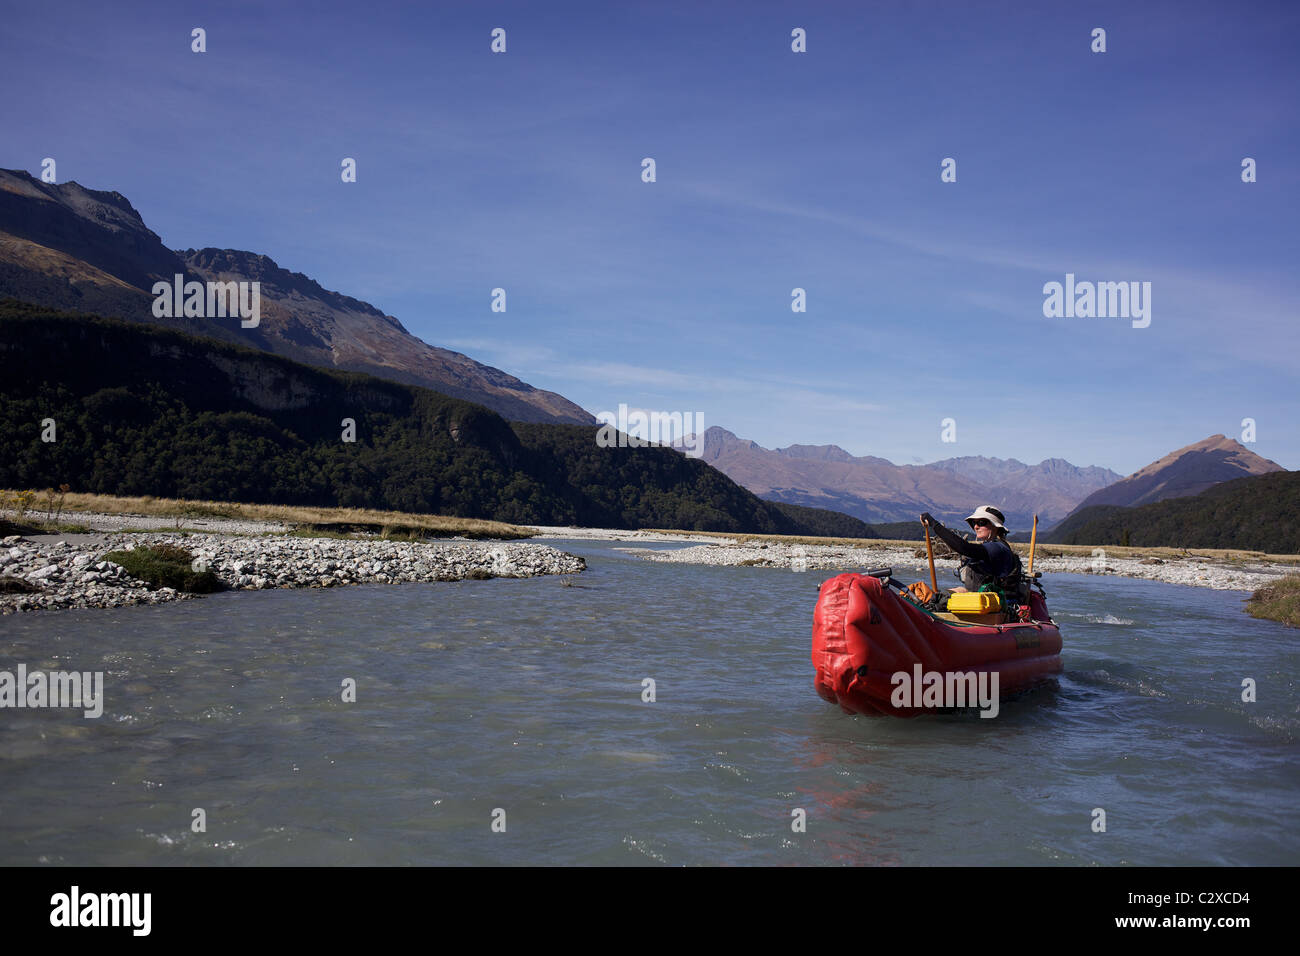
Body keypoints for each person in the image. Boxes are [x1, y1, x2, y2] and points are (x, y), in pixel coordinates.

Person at [920, 506, 1026, 603]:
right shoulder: (989, 546)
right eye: (973, 523)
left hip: (997, 606)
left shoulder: (997, 548)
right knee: (925, 593)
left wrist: (934, 524)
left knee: (939, 600)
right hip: (982, 599)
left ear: (995, 527)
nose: (976, 527)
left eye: (981, 522)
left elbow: (964, 548)